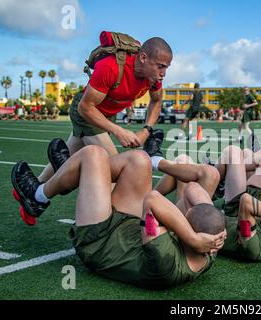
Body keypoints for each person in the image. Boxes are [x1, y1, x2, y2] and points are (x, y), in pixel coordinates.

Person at [11, 140, 226, 289]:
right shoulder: (210, 248)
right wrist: (210, 227)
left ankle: (39, 196)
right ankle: (71, 173)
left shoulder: (166, 262)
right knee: (139, 159)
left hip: (99, 241)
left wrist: (192, 237)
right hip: (130, 227)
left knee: (92, 153)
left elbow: (153, 199)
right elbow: (192, 190)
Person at [36, 37, 172, 183]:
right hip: (87, 110)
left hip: (106, 114)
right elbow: (85, 107)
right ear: (143, 58)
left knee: (66, 158)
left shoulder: (153, 77)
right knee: (114, 168)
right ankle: (116, 206)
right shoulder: (110, 66)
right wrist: (118, 131)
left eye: (166, 68)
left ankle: (33, 192)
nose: (163, 73)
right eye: (160, 66)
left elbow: (156, 100)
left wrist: (146, 130)